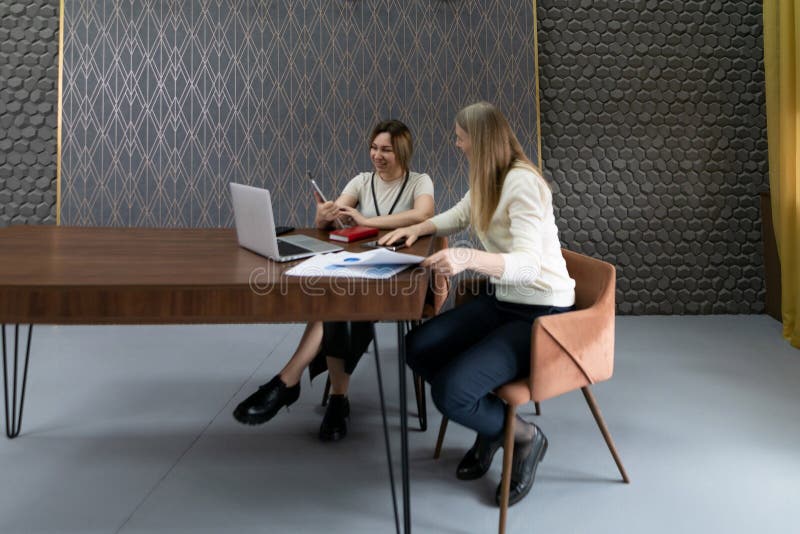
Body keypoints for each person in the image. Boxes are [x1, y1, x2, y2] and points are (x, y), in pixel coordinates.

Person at [380, 102, 576, 506]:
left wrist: (467, 257)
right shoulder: (489, 177)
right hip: (505, 300)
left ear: (480, 140)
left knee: (451, 393)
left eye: (461, 137)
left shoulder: (524, 184)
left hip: (542, 313)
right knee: (418, 347)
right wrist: (416, 228)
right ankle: (492, 428)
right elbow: (460, 215)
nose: (457, 144)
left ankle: (524, 437)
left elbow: (528, 266)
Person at [233, 119, 435, 442]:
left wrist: (367, 220)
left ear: (402, 152)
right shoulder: (361, 181)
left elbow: (423, 214)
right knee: (339, 303)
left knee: (338, 303)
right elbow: (333, 218)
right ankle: (331, 398)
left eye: (386, 150)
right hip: (361, 270)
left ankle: (291, 382)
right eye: (374, 148)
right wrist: (324, 216)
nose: (377, 155)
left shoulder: (419, 182)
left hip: (400, 277)